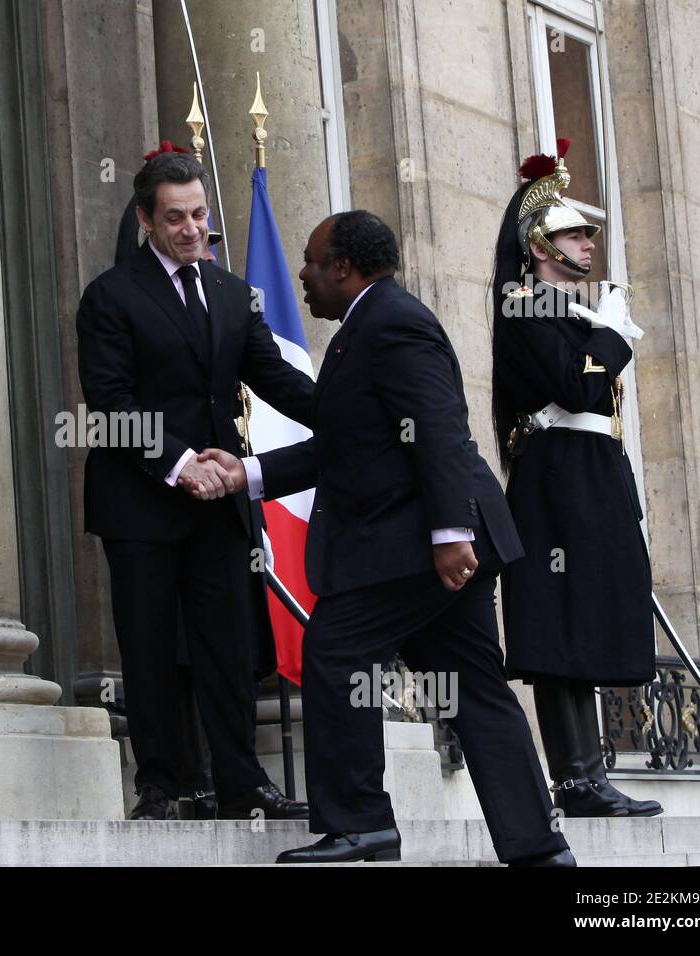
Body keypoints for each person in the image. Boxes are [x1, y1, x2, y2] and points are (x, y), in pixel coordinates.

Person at [200, 211, 574, 865]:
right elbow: (347, 446)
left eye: (313, 261)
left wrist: (451, 532)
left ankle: (362, 824)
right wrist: (249, 473)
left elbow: (436, 425)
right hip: (427, 540)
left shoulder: (391, 323)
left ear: (344, 267)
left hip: (419, 542)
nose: (303, 274)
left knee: (336, 650)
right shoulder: (364, 329)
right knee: (475, 689)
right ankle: (538, 847)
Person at [77, 149, 312, 820]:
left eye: (200, 215)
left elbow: (281, 382)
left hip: (220, 509)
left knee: (229, 647)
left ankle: (243, 785)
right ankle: (161, 784)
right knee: (150, 649)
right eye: (175, 218)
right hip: (143, 503)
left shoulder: (235, 294)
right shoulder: (110, 296)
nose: (191, 229)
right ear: (147, 220)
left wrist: (354, 410)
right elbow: (111, 404)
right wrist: (185, 465)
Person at [489, 141, 661, 817]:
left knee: (588, 619)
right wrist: (613, 338)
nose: (587, 242)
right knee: (561, 629)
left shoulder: (572, 315)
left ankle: (592, 773)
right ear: (539, 244)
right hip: (558, 479)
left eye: (587, 232)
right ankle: (577, 780)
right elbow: (578, 387)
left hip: (592, 476)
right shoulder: (525, 304)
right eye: (571, 233)